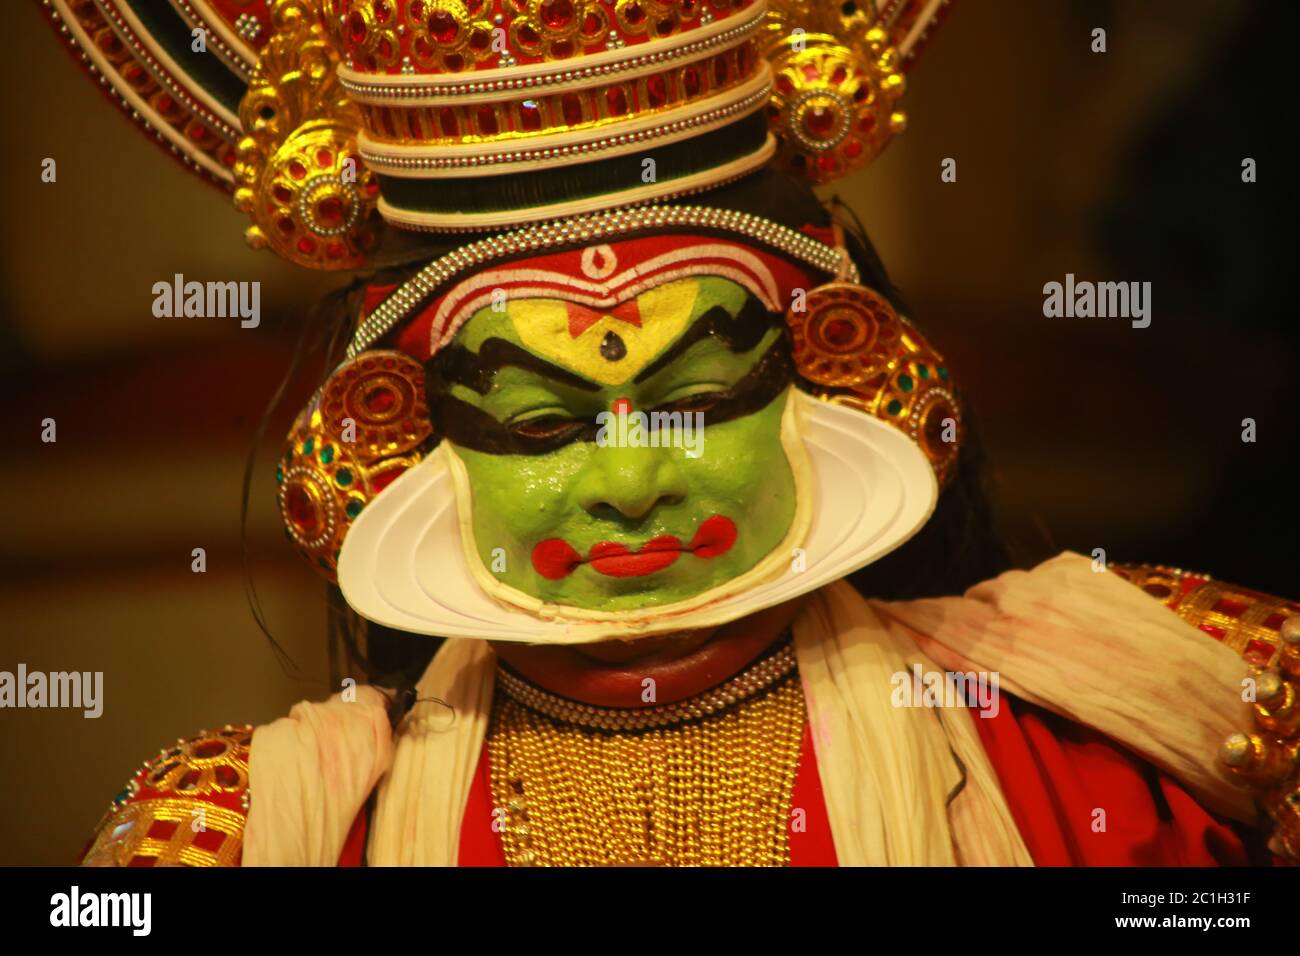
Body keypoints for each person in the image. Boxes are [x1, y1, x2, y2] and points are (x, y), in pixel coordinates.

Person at [44, 0, 1296, 867]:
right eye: (541, 423)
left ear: (831, 368)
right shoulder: (245, 833)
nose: (635, 480)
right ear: (403, 439)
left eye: (695, 401)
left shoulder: (1163, 725)